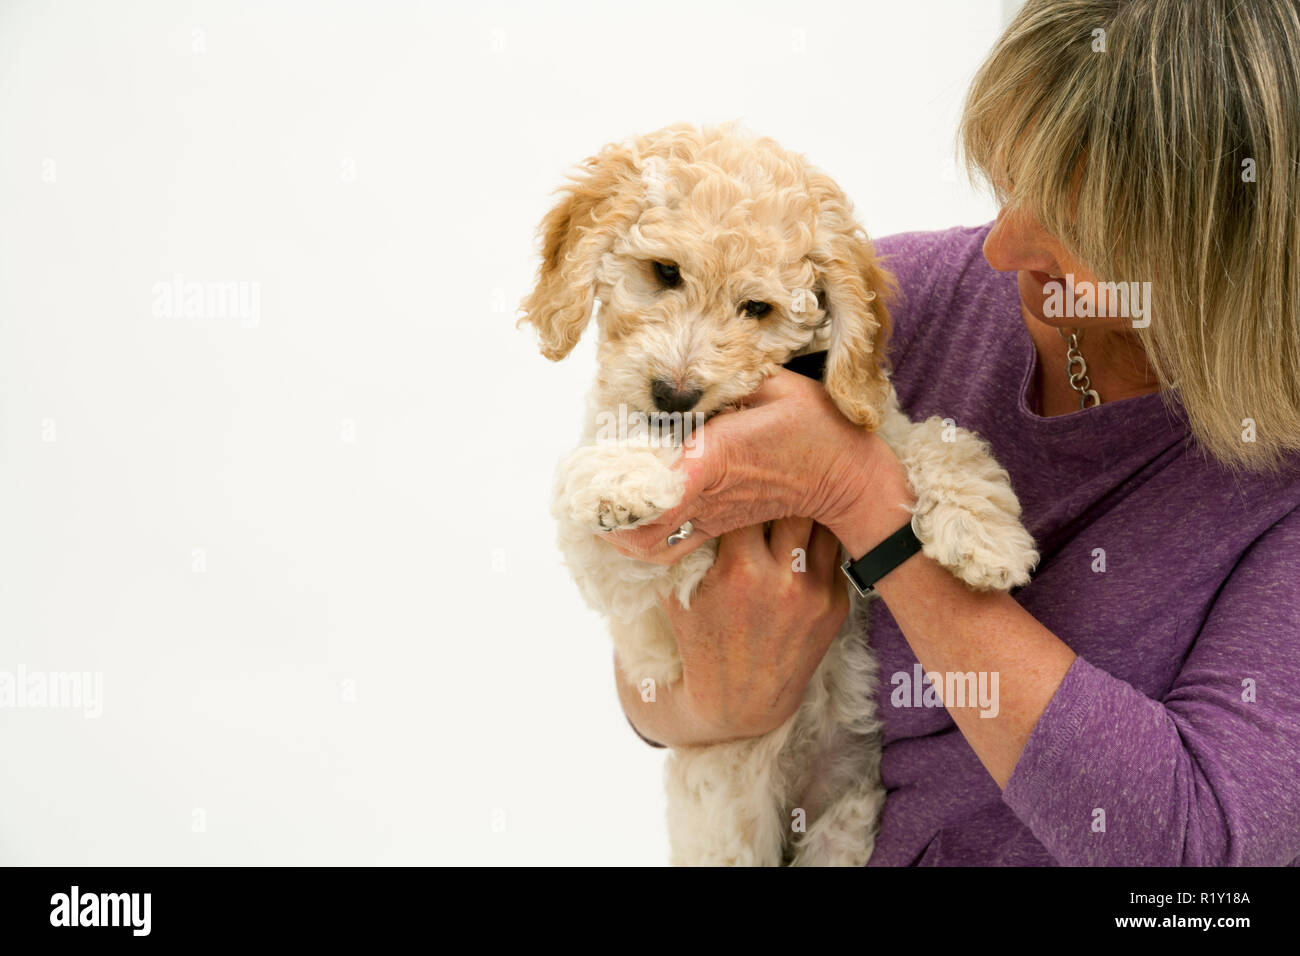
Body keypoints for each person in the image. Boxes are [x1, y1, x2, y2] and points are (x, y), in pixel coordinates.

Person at [607, 0, 1300, 865]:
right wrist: (723, 703)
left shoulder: (1277, 488)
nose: (1002, 248)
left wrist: (865, 499)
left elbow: (1197, 865)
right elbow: (654, 664)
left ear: (1227, 250)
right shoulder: (891, 305)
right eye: (1008, 185)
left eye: (1072, 228)